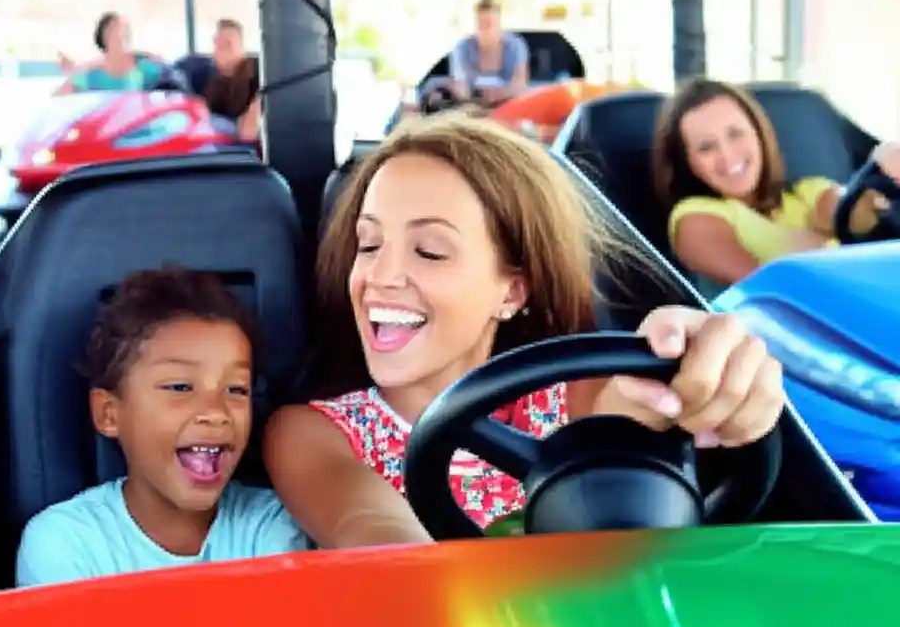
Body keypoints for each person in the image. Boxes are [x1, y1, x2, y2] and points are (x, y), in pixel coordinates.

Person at [264, 114, 789, 547]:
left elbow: (634, 412)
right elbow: (373, 530)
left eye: (429, 251)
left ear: (511, 292)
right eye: (370, 244)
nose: (379, 276)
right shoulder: (313, 434)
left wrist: (699, 369)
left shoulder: (574, 402)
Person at [16, 266, 310, 588]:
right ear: (109, 413)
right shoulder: (66, 543)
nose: (215, 412)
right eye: (180, 387)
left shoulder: (271, 526)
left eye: (236, 389)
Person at [653, 78, 900, 287]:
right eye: (706, 147)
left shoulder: (808, 192)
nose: (727, 156)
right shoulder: (693, 216)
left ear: (758, 133)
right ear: (688, 162)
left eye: (735, 134)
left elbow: (854, 216)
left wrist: (879, 185)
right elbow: (764, 289)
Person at [55, 12, 165, 94]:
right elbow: (58, 97)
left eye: (126, 29)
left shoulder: (143, 67)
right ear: (105, 37)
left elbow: (170, 76)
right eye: (118, 29)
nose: (125, 34)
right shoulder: (90, 74)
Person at [447, 0, 529, 106]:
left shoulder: (515, 46)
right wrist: (478, 97)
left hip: (509, 106)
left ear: (499, 23)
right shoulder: (462, 48)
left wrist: (497, 95)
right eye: (480, 24)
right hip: (471, 107)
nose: (485, 29)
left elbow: (520, 85)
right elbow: (460, 87)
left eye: (489, 24)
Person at [200, 19, 261, 141]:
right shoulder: (213, 80)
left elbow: (249, 132)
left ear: (242, 47)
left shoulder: (257, 70)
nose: (220, 50)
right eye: (217, 43)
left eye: (227, 44)